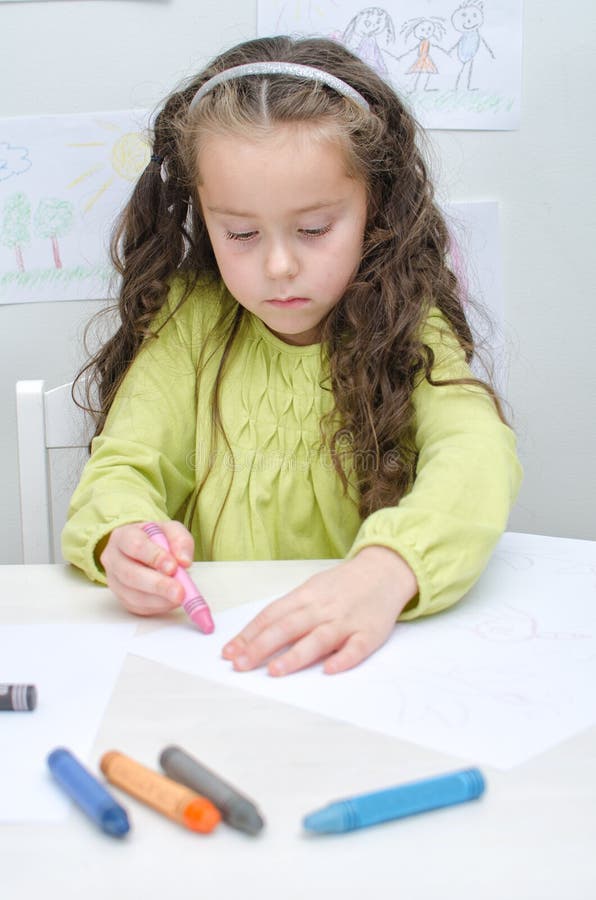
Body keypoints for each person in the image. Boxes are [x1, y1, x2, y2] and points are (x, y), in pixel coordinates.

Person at [62, 35, 522, 677]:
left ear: (375, 205)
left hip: (372, 665)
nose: (279, 266)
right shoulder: (192, 323)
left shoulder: (409, 326)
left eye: (314, 229)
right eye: (241, 233)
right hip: (218, 657)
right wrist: (123, 536)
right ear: (202, 212)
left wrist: (389, 571)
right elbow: (123, 468)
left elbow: (478, 452)